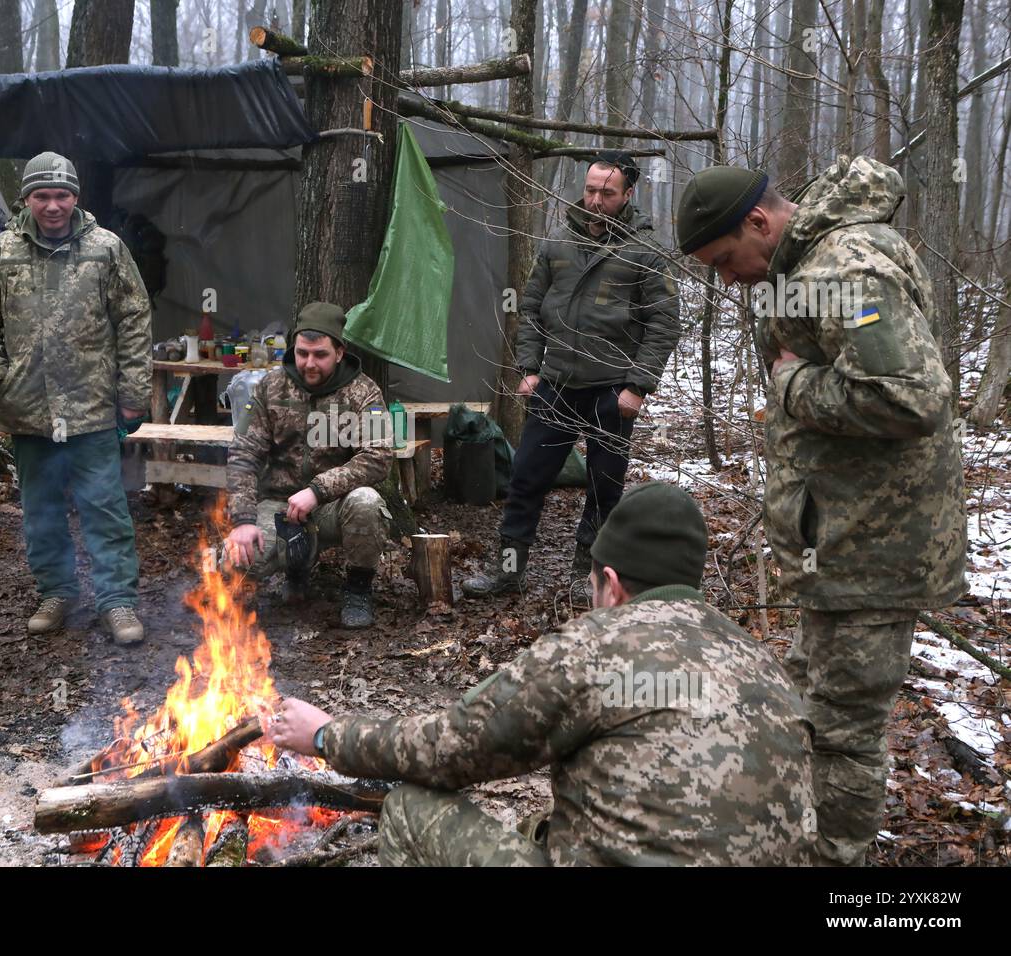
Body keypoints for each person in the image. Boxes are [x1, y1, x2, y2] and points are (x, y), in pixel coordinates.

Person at [268, 483, 816, 865]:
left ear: (612, 581)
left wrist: (325, 735)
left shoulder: (595, 649)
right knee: (542, 825)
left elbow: (450, 749)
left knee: (411, 807)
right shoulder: (759, 659)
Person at [675, 155, 967, 864]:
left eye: (725, 259)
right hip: (842, 541)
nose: (728, 278)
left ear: (759, 221)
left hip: (874, 548)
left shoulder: (843, 270)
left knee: (841, 733)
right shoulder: (809, 268)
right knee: (811, 705)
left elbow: (911, 398)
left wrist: (794, 383)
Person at [464, 150, 680, 597]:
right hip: (557, 383)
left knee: (604, 487)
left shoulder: (644, 250)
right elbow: (530, 309)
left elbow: (663, 324)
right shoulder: (558, 241)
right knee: (525, 477)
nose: (596, 200)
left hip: (611, 387)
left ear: (628, 194)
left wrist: (637, 386)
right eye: (590, 190)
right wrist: (529, 368)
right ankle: (508, 570)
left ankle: (589, 572)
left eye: (608, 192)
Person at [0, 152, 153, 645]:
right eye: (42, 195)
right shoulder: (2, 251)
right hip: (28, 412)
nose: (53, 205)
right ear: (25, 198)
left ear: (76, 197)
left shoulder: (106, 248)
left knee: (105, 508)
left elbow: (135, 320)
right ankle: (56, 592)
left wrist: (133, 393)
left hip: (92, 409)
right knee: (41, 510)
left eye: (62, 194)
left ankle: (117, 603)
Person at [223, 303, 393, 629]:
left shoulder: (363, 392)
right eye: (302, 353)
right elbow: (243, 454)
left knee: (367, 503)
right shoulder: (269, 387)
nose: (309, 363)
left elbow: (378, 457)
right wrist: (243, 519)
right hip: (279, 506)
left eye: (320, 355)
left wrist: (317, 491)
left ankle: (358, 589)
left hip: (333, 506)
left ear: (340, 352)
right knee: (231, 567)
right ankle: (295, 568)